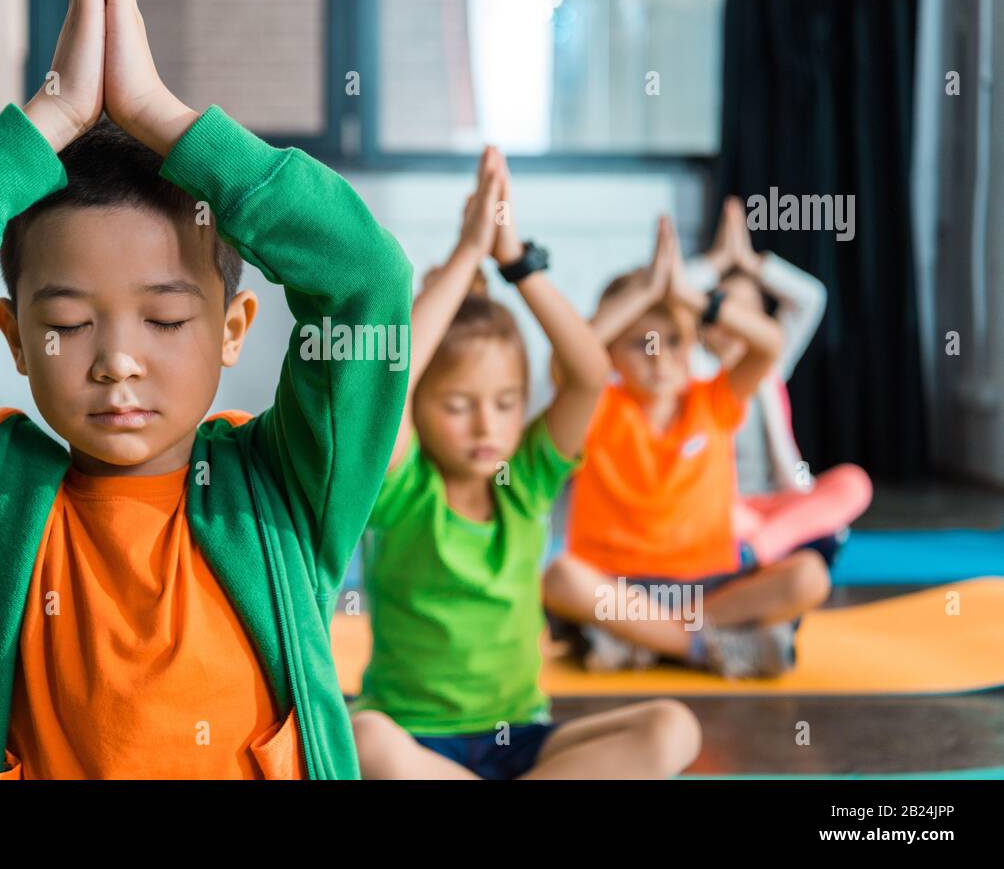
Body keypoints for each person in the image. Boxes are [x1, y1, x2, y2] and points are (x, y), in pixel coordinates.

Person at [0, 0, 411, 779]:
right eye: (70, 322)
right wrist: (47, 120)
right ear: (16, 337)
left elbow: (365, 280)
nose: (118, 358)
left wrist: (164, 118)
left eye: (163, 321)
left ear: (233, 331)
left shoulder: (285, 492)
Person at [349, 148, 702, 778]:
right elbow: (388, 376)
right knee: (364, 737)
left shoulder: (526, 481)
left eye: (506, 404)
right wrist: (467, 253)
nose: (488, 426)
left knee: (673, 727)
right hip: (417, 742)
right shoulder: (402, 486)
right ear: (421, 408)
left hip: (524, 741)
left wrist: (515, 262)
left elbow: (590, 373)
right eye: (458, 405)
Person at [542, 218, 832, 678]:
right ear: (610, 352)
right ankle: (701, 646)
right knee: (561, 578)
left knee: (809, 576)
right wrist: (643, 293)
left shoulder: (713, 400)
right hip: (619, 587)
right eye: (640, 344)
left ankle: (642, 642)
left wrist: (690, 296)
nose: (659, 357)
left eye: (673, 341)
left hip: (708, 587)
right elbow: (565, 359)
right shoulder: (598, 406)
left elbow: (768, 343)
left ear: (693, 342)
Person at [688, 197, 872, 568]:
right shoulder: (695, 371)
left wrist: (752, 263)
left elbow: (811, 298)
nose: (734, 322)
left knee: (854, 483)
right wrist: (718, 261)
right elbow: (669, 296)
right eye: (724, 310)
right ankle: (790, 541)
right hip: (724, 505)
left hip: (778, 501)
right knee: (717, 518)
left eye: (746, 311)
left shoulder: (770, 369)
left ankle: (758, 550)